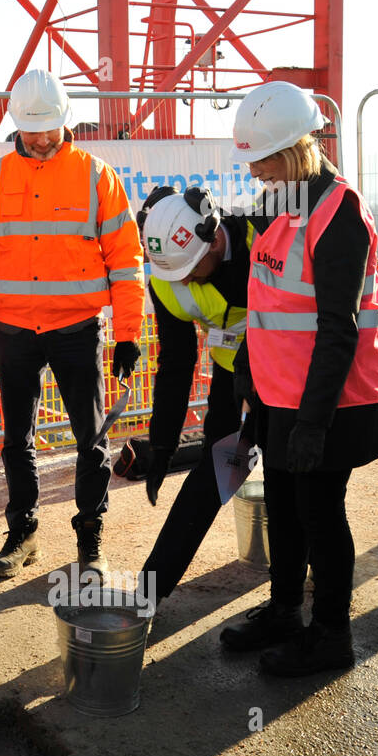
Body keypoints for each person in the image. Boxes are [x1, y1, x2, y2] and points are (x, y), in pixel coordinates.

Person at [219, 81, 378, 675]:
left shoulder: (339, 212)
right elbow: (266, 296)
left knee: (320, 514)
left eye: (262, 158)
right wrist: (246, 369)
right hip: (278, 394)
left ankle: (331, 636)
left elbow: (338, 329)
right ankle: (285, 610)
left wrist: (313, 423)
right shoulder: (284, 200)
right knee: (287, 510)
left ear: (293, 149)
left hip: (328, 402)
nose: (255, 170)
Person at [0, 69, 145, 583]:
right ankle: (23, 533)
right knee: (16, 440)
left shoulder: (96, 176)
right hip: (14, 331)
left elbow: (127, 262)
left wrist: (128, 334)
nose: (40, 140)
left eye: (48, 129)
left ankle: (90, 532)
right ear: (16, 124)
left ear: (65, 121)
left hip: (77, 330)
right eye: (30, 130)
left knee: (92, 439)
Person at [134, 185, 258, 609]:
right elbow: (175, 363)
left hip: (285, 377)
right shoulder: (168, 274)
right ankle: (150, 591)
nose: (181, 280)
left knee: (295, 473)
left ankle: (300, 588)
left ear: (214, 236)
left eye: (188, 268)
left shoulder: (262, 243)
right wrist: (162, 444)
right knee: (217, 471)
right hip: (232, 379)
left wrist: (254, 364)